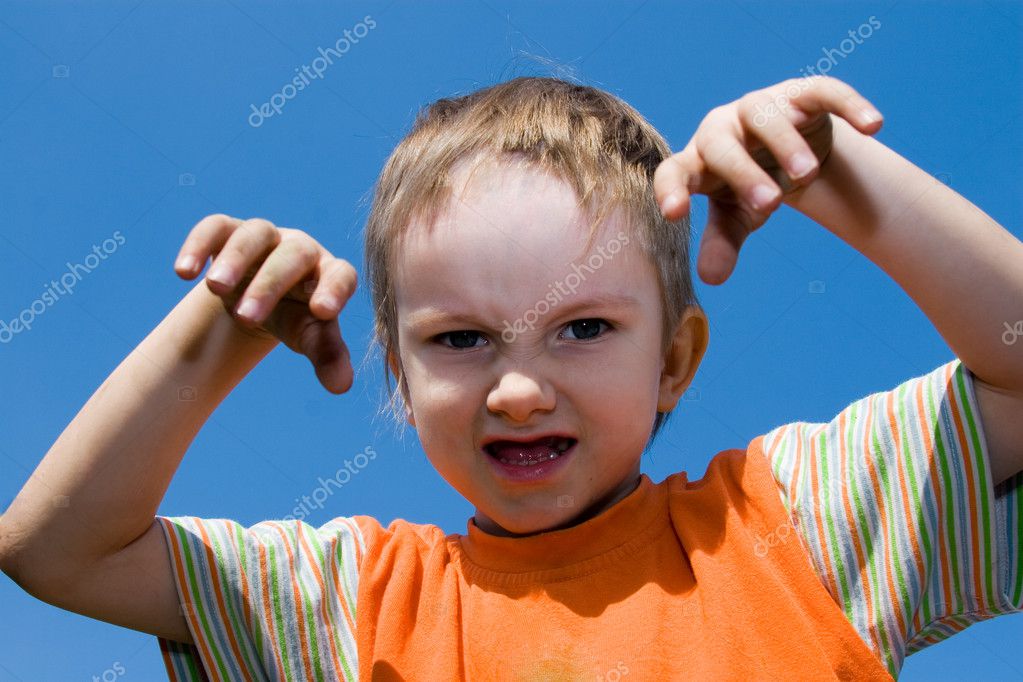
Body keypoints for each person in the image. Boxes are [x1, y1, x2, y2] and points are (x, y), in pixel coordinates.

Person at [1, 75, 1020, 681]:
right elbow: (57, 551)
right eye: (460, 340)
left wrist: (832, 172)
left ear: (674, 361)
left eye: (580, 327)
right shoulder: (354, 604)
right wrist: (224, 331)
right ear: (395, 373)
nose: (519, 388)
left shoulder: (792, 523)